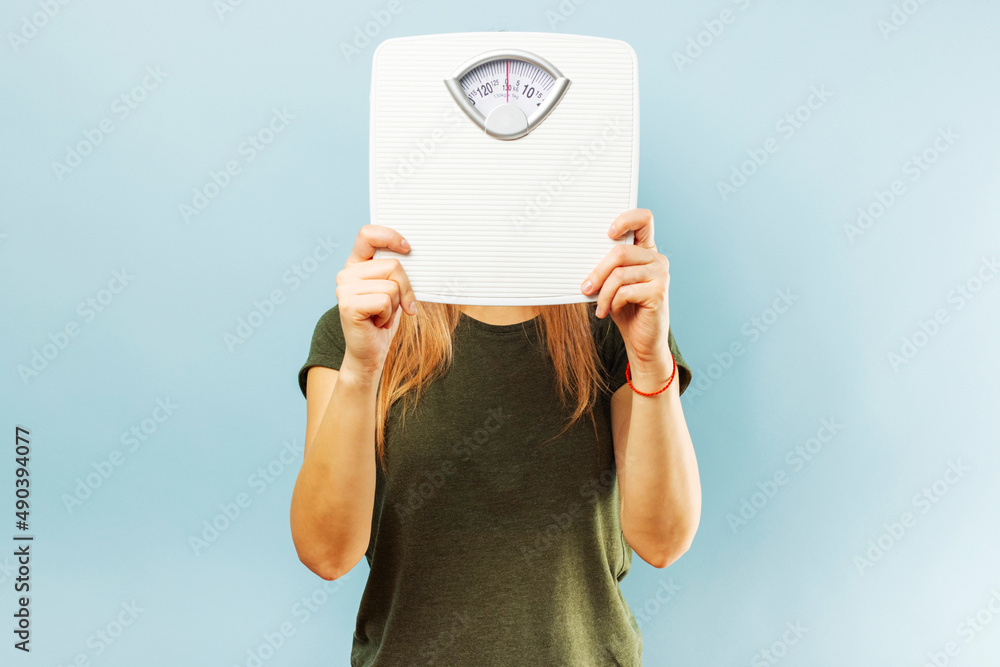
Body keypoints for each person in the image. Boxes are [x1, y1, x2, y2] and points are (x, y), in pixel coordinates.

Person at [290, 208, 700, 666]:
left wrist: (649, 360)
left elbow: (663, 542)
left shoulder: (615, 321)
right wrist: (361, 369)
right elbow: (326, 554)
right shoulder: (360, 325)